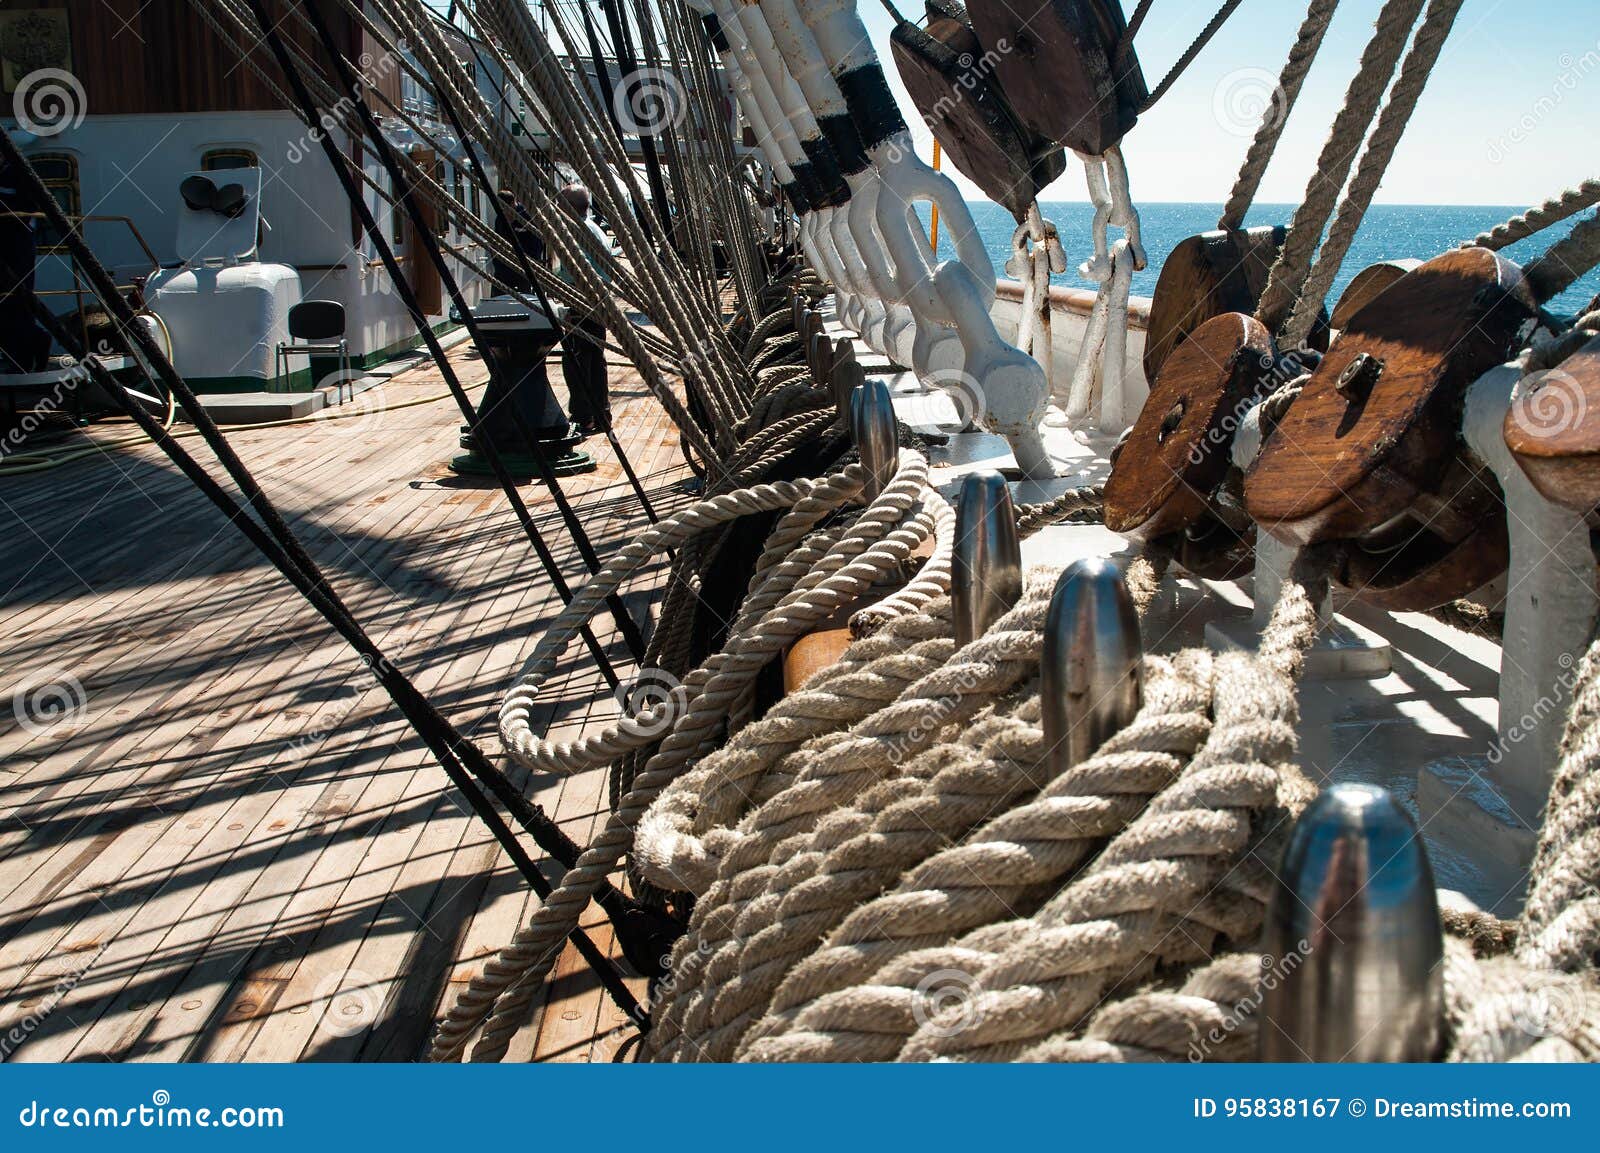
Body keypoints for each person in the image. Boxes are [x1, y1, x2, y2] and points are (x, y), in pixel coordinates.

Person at [553, 182, 611, 436]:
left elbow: (582, 271)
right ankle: (601, 415)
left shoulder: (576, 232)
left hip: (581, 304)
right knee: (595, 360)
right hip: (598, 303)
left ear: (568, 207)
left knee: (577, 362)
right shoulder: (595, 230)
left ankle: (583, 417)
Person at [491, 188, 545, 293]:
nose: (502, 211)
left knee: (525, 299)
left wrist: (533, 267)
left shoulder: (527, 217)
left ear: (512, 204)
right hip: (504, 269)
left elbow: (537, 244)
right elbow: (496, 241)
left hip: (525, 269)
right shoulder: (500, 219)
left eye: (504, 208)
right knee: (498, 296)